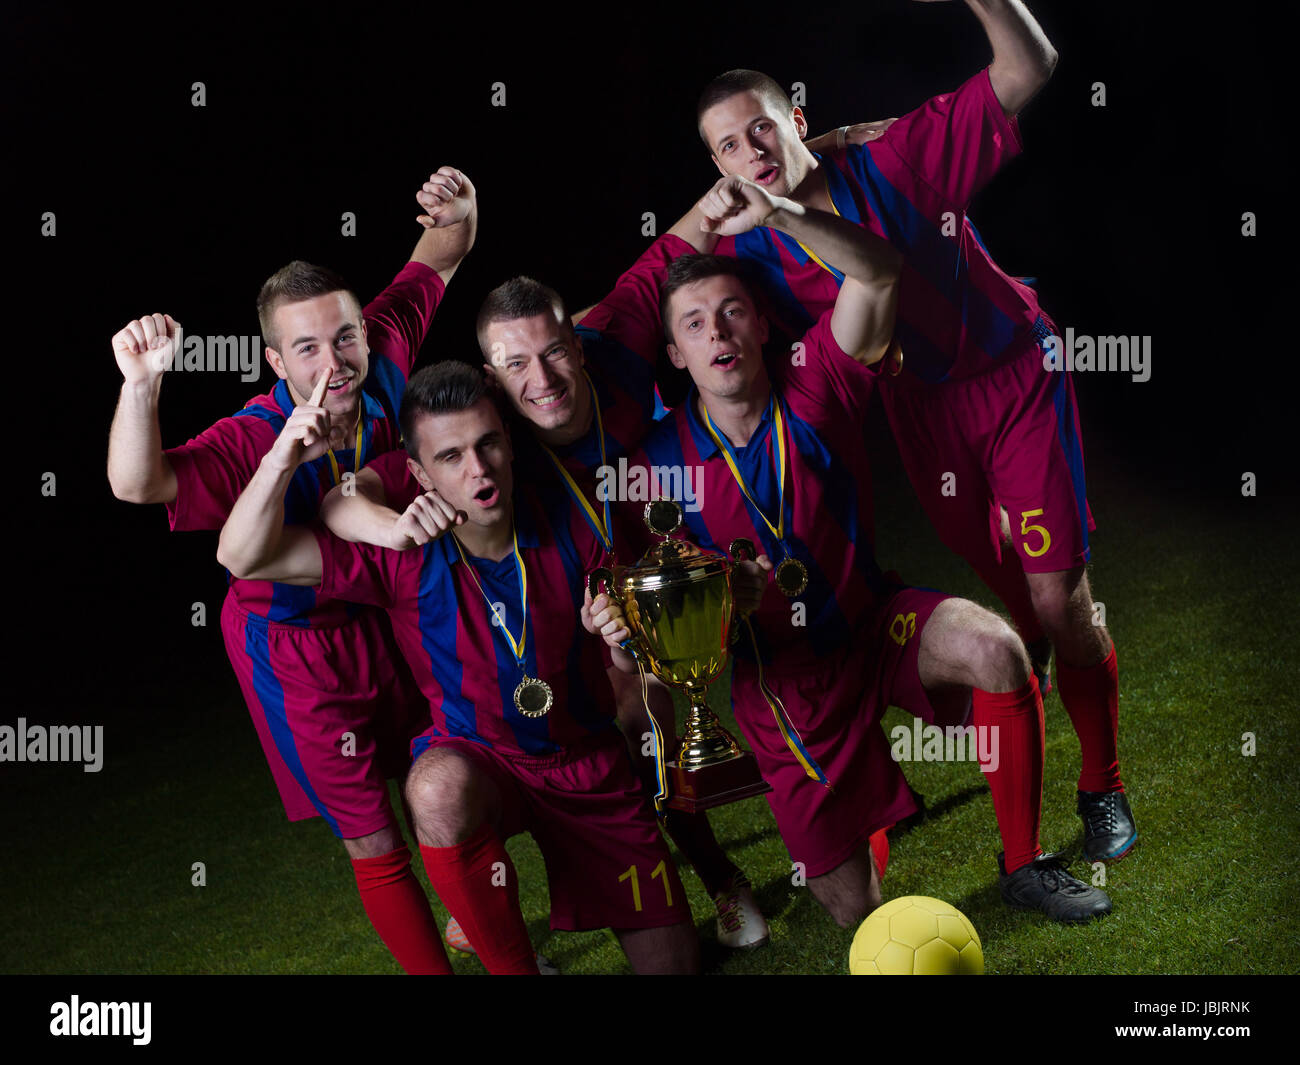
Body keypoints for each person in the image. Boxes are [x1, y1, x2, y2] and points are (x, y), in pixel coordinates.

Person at [689, 0, 1134, 864]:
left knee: (1056, 599)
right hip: (922, 416)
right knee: (1013, 597)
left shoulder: (895, 160)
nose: (753, 154)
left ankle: (1103, 782)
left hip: (1013, 376)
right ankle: (1026, 673)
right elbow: (658, 306)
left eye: (763, 129)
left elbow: (1029, 67)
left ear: (798, 122)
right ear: (713, 168)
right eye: (728, 146)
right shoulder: (746, 258)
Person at [624, 173, 1111, 924]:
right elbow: (666, 613)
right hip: (788, 691)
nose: (717, 334)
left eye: (732, 313)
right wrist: (723, 594)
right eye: (694, 324)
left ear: (761, 325)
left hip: (874, 623)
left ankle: (1024, 863)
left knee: (997, 649)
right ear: (674, 352)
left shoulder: (814, 380)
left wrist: (783, 210)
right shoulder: (656, 463)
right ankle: (862, 811)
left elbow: (878, 269)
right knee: (860, 911)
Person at [329, 216, 772, 949]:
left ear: (577, 343)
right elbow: (351, 491)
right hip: (565, 567)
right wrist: (389, 527)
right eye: (514, 366)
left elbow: (702, 225)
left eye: (554, 351)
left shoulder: (616, 344)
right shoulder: (490, 432)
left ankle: (717, 874)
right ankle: (494, 873)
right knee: (623, 709)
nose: (542, 379)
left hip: (644, 534)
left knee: (660, 716)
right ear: (492, 381)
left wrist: (814, 149)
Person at [217, 360, 712, 974]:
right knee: (434, 786)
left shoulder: (573, 522)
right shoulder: (402, 549)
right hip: (485, 765)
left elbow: (630, 665)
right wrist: (282, 457)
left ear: (509, 441)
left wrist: (617, 639)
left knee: (676, 968)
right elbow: (241, 555)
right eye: (451, 457)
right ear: (419, 474)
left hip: (587, 768)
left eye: (487, 444)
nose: (478, 470)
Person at [106, 168, 477, 973]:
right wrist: (141, 387)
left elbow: (441, 256)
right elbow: (138, 483)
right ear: (276, 359)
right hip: (297, 648)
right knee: (372, 829)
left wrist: (459, 209)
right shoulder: (250, 436)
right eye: (306, 347)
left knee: (448, 776)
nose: (332, 359)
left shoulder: (378, 355)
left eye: (344, 336)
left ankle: (473, 921)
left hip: (391, 616)